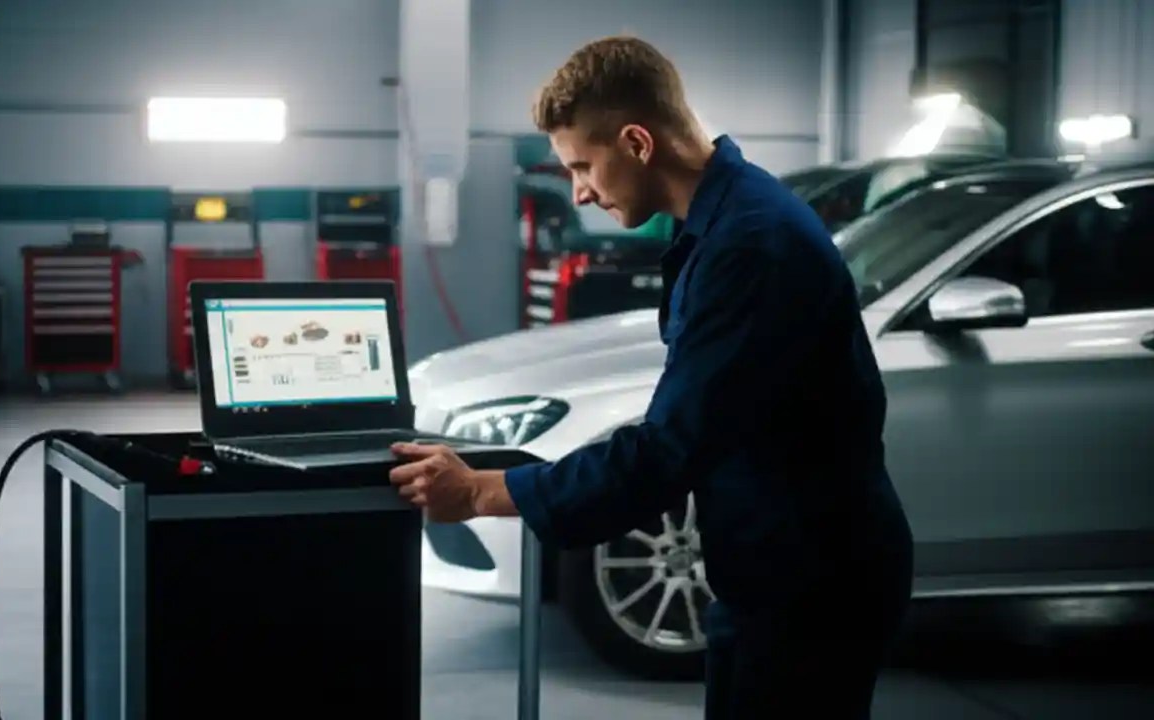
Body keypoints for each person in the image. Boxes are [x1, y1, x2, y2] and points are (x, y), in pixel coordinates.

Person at [389, 35, 914, 718]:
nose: (578, 191)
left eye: (582, 165)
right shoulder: (724, 218)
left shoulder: (750, 243)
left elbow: (667, 452)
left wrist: (485, 490)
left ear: (637, 142)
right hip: (777, 568)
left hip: (810, 583)